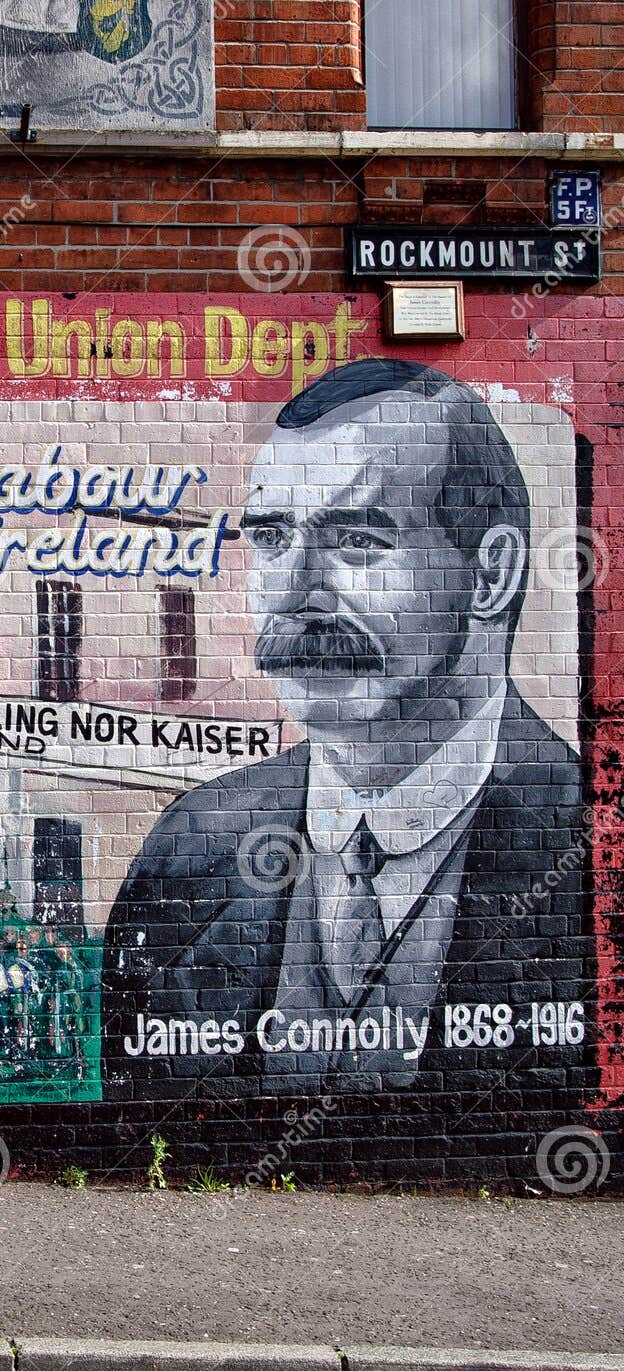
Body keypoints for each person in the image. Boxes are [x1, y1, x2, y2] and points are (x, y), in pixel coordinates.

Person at [103, 360, 591, 1099]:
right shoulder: (187, 850)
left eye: (357, 540)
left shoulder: (591, 842)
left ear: (490, 575)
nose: (296, 593)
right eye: (271, 539)